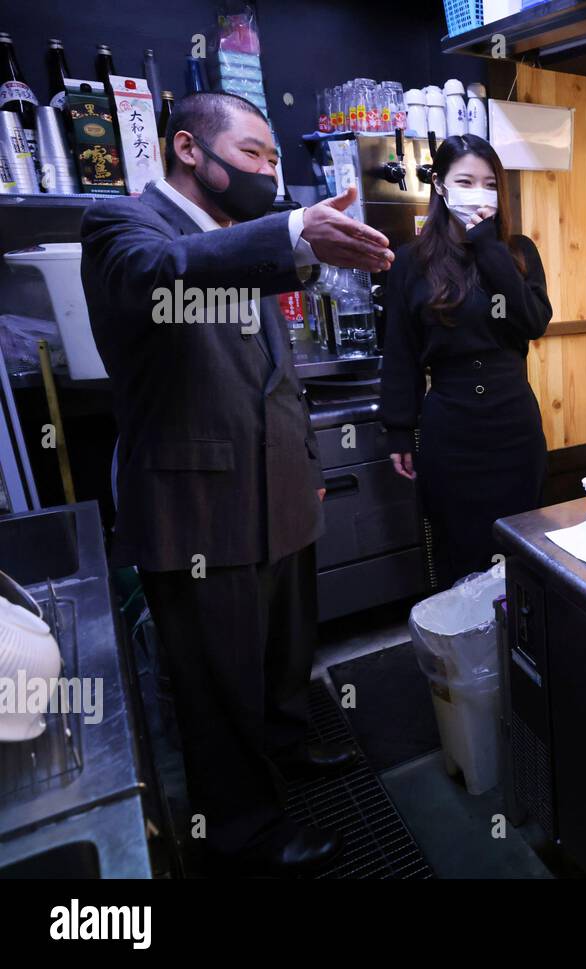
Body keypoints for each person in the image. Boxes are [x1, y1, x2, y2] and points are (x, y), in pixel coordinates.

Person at [80, 91, 394, 876]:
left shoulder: (235, 241)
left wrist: (308, 470)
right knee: (216, 682)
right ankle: (243, 832)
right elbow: (159, 279)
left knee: (285, 651)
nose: (268, 169)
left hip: (279, 494)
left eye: (273, 158)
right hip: (196, 511)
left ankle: (288, 744)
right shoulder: (126, 228)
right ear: (190, 149)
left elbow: (273, 377)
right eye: (253, 153)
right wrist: (292, 229)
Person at [381, 135, 551, 587]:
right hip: (450, 425)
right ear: (439, 185)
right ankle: (465, 653)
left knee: (519, 547)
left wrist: (487, 245)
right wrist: (399, 427)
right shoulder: (412, 261)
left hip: (513, 421)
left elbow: (533, 322)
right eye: (466, 181)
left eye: (489, 183)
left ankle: (520, 648)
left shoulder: (518, 252)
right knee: (461, 549)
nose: (479, 192)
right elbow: (400, 350)